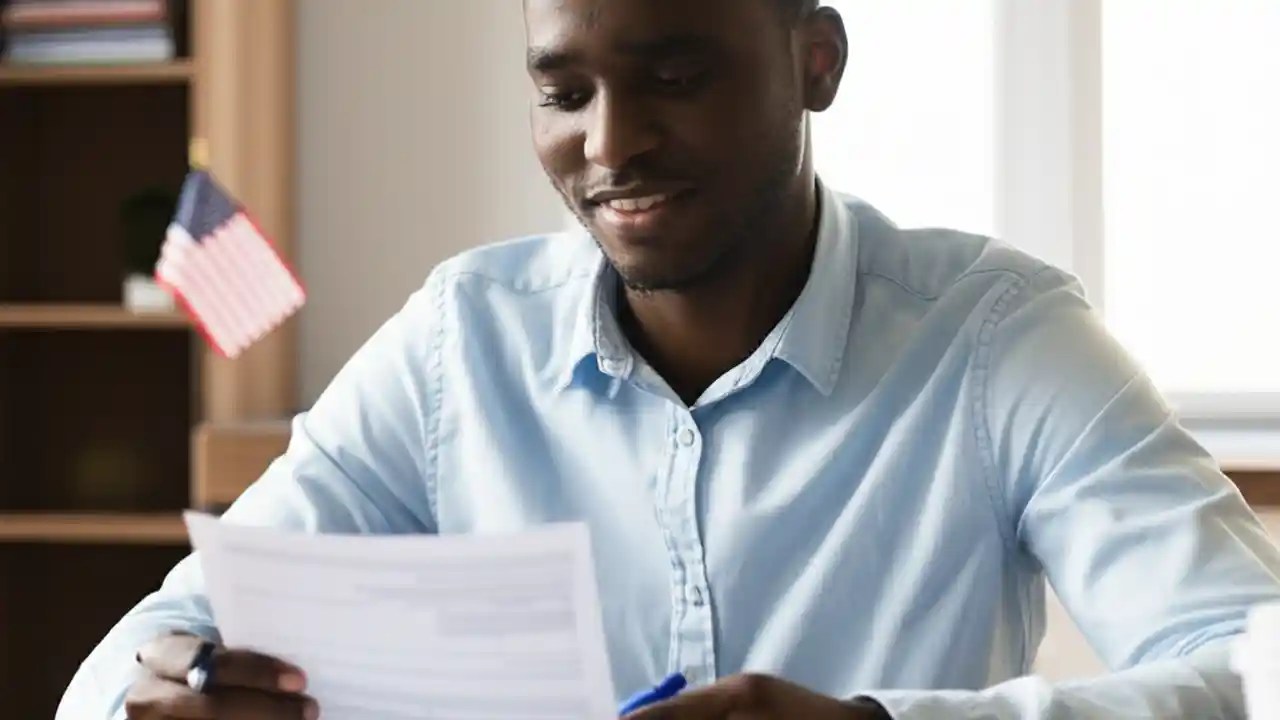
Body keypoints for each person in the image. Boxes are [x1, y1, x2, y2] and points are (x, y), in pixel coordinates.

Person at [61, 0, 1280, 718]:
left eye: (675, 77)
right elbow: (149, 643)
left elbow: (1248, 665)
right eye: (564, 90)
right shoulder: (457, 340)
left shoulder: (996, 337)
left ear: (815, 59)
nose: (613, 143)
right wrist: (179, 682)